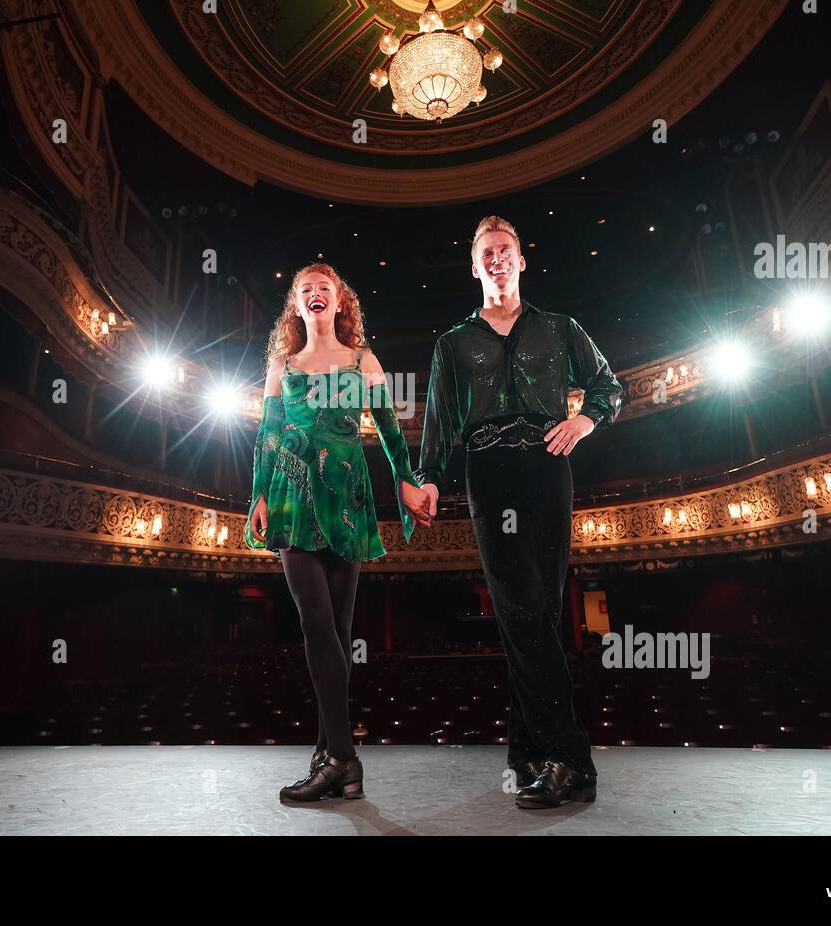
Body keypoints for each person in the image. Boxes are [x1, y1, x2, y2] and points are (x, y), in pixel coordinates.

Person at [414, 215, 623, 809]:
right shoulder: (452, 343)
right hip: (490, 473)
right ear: (475, 267)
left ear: (521, 261)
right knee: (520, 610)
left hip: (547, 468)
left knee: (539, 615)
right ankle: (569, 757)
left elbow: (609, 387)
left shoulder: (560, 328)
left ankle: (528, 752)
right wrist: (427, 477)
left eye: (507, 250)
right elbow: (439, 419)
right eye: (488, 253)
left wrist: (584, 420)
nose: (498, 259)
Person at [246, 262, 431, 803]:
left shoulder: (362, 360)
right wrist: (257, 493)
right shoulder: (282, 363)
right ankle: (342, 757)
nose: (315, 294)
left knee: (340, 632)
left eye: (324, 287)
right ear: (296, 307)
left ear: (340, 302)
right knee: (316, 623)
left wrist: (408, 482)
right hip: (291, 497)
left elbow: (392, 431)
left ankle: (334, 760)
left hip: (347, 500)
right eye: (305, 289)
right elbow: (268, 431)